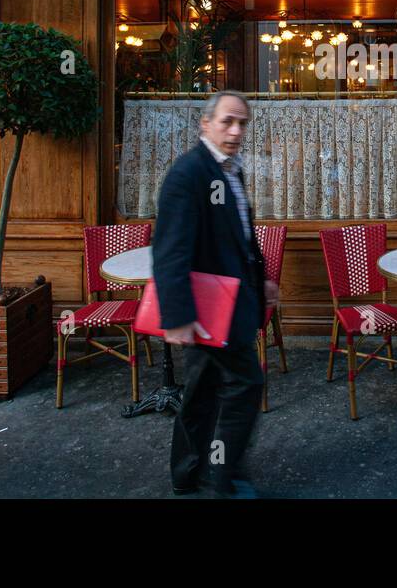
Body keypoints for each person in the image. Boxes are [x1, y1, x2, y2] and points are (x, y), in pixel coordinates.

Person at [152, 91, 278, 498]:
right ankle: (220, 477)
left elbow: (240, 238)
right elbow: (170, 250)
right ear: (205, 124)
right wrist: (176, 317)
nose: (236, 130)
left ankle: (187, 473)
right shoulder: (188, 173)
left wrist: (262, 280)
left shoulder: (230, 170)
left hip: (230, 303)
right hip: (208, 308)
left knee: (202, 393)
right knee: (245, 387)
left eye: (242, 123)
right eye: (227, 121)